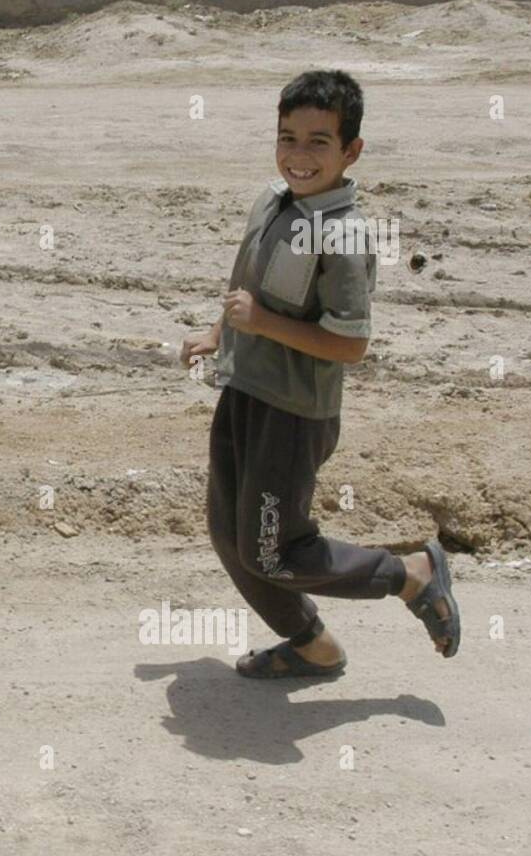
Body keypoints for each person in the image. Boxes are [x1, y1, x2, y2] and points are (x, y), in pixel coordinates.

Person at [180, 69, 460, 679]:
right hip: (245, 394)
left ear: (350, 150)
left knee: (275, 552)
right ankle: (311, 643)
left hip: (294, 413)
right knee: (231, 537)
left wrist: (258, 324)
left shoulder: (344, 234)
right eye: (287, 138)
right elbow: (247, 289)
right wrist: (219, 331)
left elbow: (350, 344)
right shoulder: (271, 203)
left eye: (317, 142)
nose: (298, 156)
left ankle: (410, 574)